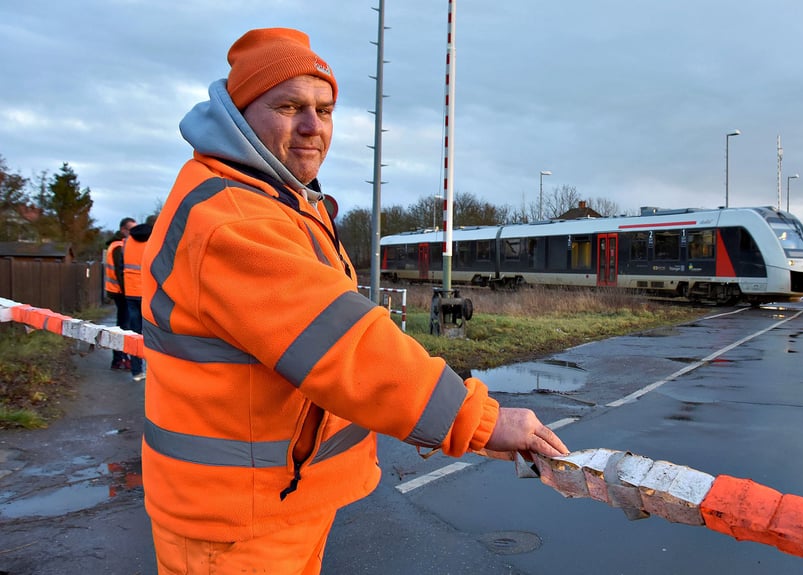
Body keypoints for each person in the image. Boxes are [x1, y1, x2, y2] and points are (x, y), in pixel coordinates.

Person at [140, 28, 569, 574]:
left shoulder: (273, 200)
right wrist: (478, 420)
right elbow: (346, 346)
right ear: (240, 113)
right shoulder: (233, 220)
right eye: (289, 105)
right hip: (236, 524)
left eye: (324, 108)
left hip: (272, 499)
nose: (312, 126)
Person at [122, 215, 153, 381]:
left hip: (131, 293)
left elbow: (122, 265)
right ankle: (154, 372)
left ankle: (137, 371)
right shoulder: (154, 240)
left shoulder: (127, 241)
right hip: (149, 293)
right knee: (153, 334)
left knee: (134, 333)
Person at [103, 220, 133, 369]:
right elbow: (120, 272)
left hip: (118, 291)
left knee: (123, 325)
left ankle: (120, 358)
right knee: (124, 326)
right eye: (130, 230)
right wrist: (128, 292)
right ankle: (120, 358)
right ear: (123, 230)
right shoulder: (118, 247)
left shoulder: (116, 245)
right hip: (121, 292)